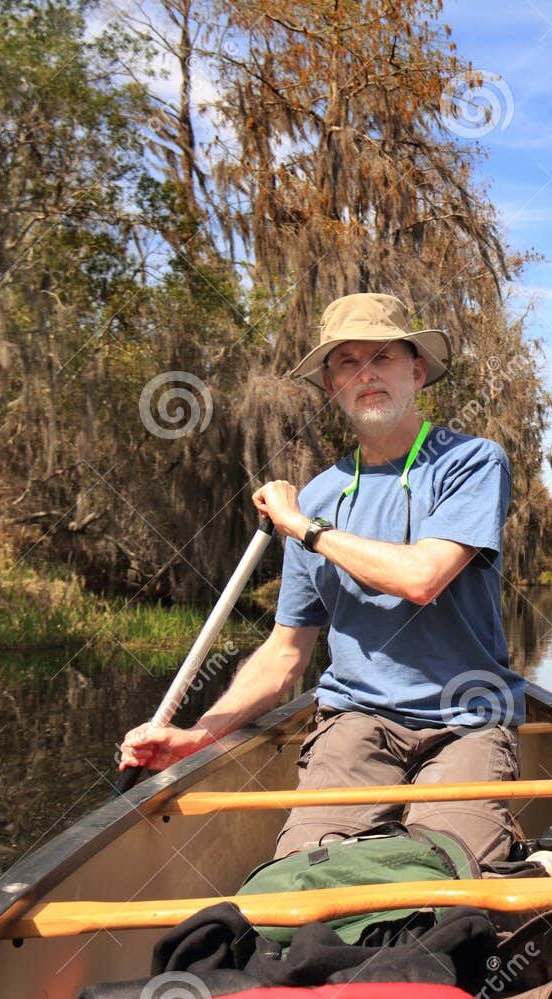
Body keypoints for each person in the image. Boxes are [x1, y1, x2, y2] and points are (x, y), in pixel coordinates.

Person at [118, 292, 527, 865]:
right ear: (332, 387)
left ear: (416, 370)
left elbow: (422, 578)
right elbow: (286, 653)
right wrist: (198, 736)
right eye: (346, 362)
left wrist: (304, 529)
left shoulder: (470, 462)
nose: (366, 374)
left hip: (465, 720)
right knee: (312, 873)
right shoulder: (320, 495)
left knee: (450, 877)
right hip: (357, 720)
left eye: (382, 357)